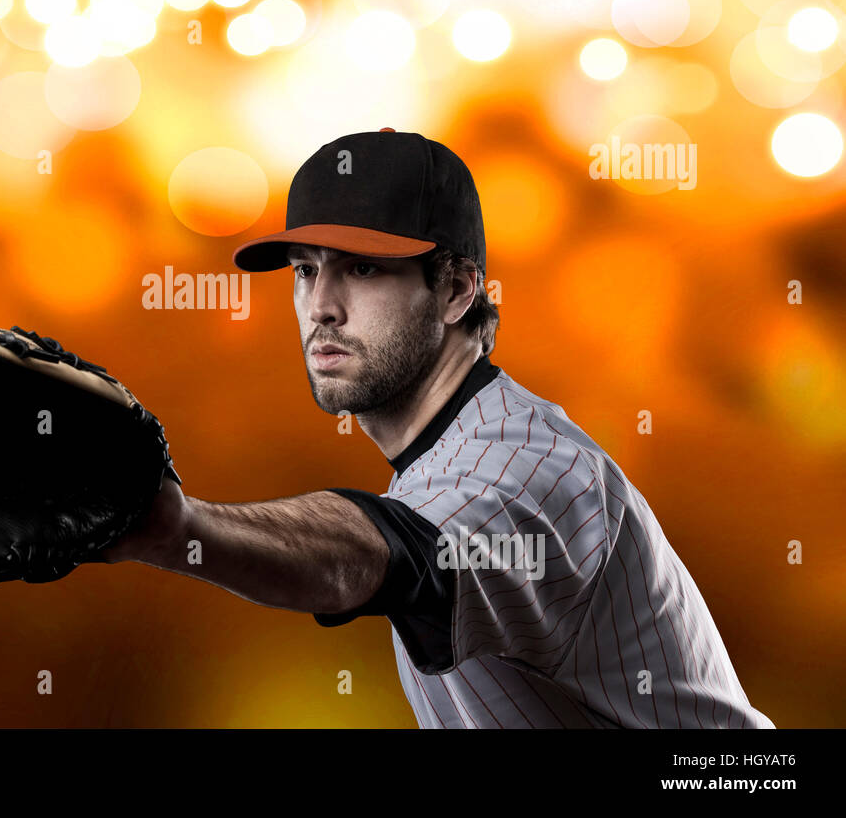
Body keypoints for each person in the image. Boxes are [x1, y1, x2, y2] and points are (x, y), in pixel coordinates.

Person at [105, 128, 774, 729]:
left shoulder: (527, 467)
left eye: (363, 268)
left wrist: (180, 530)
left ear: (456, 289)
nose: (322, 308)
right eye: (307, 270)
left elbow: (389, 556)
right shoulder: (446, 449)